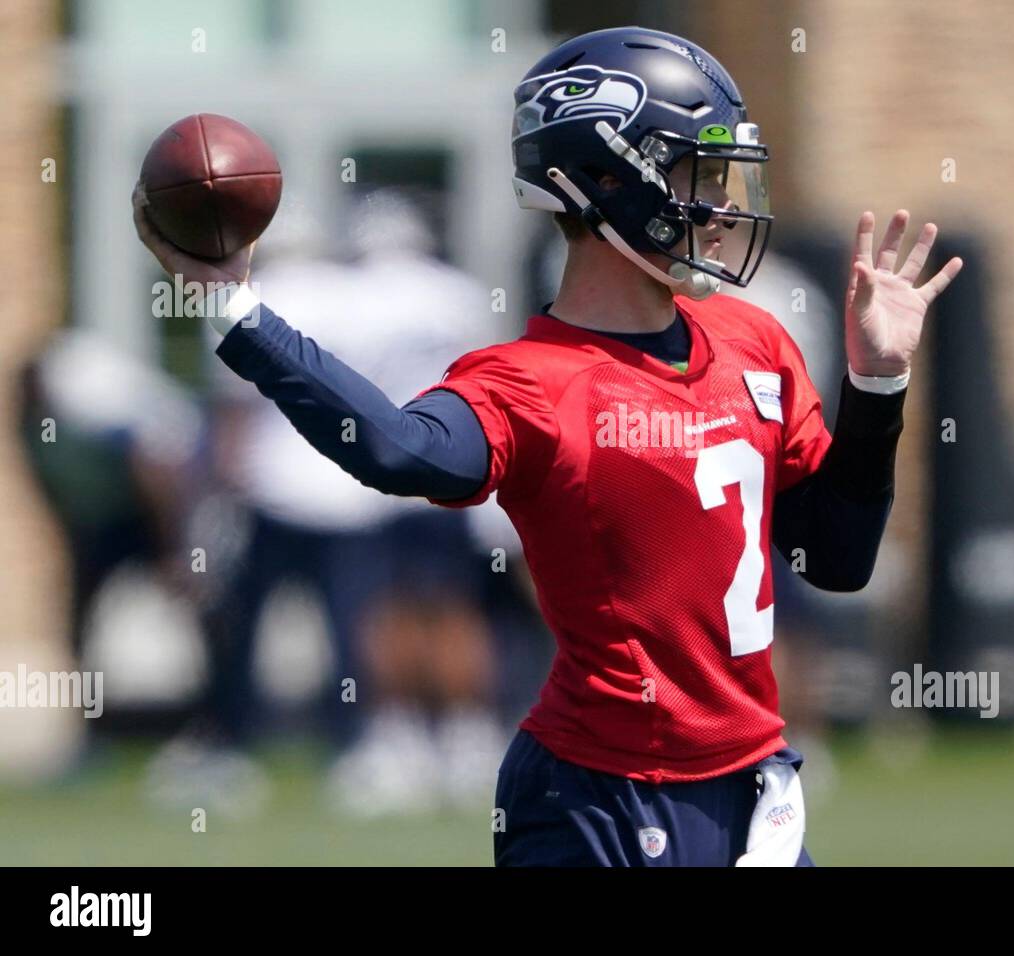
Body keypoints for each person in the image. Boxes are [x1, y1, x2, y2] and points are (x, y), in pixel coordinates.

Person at [131, 26, 962, 866]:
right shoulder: (534, 382)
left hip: (753, 791)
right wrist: (237, 310)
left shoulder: (754, 341)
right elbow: (399, 451)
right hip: (600, 797)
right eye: (693, 177)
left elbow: (837, 556)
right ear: (608, 181)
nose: (719, 207)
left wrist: (877, 385)